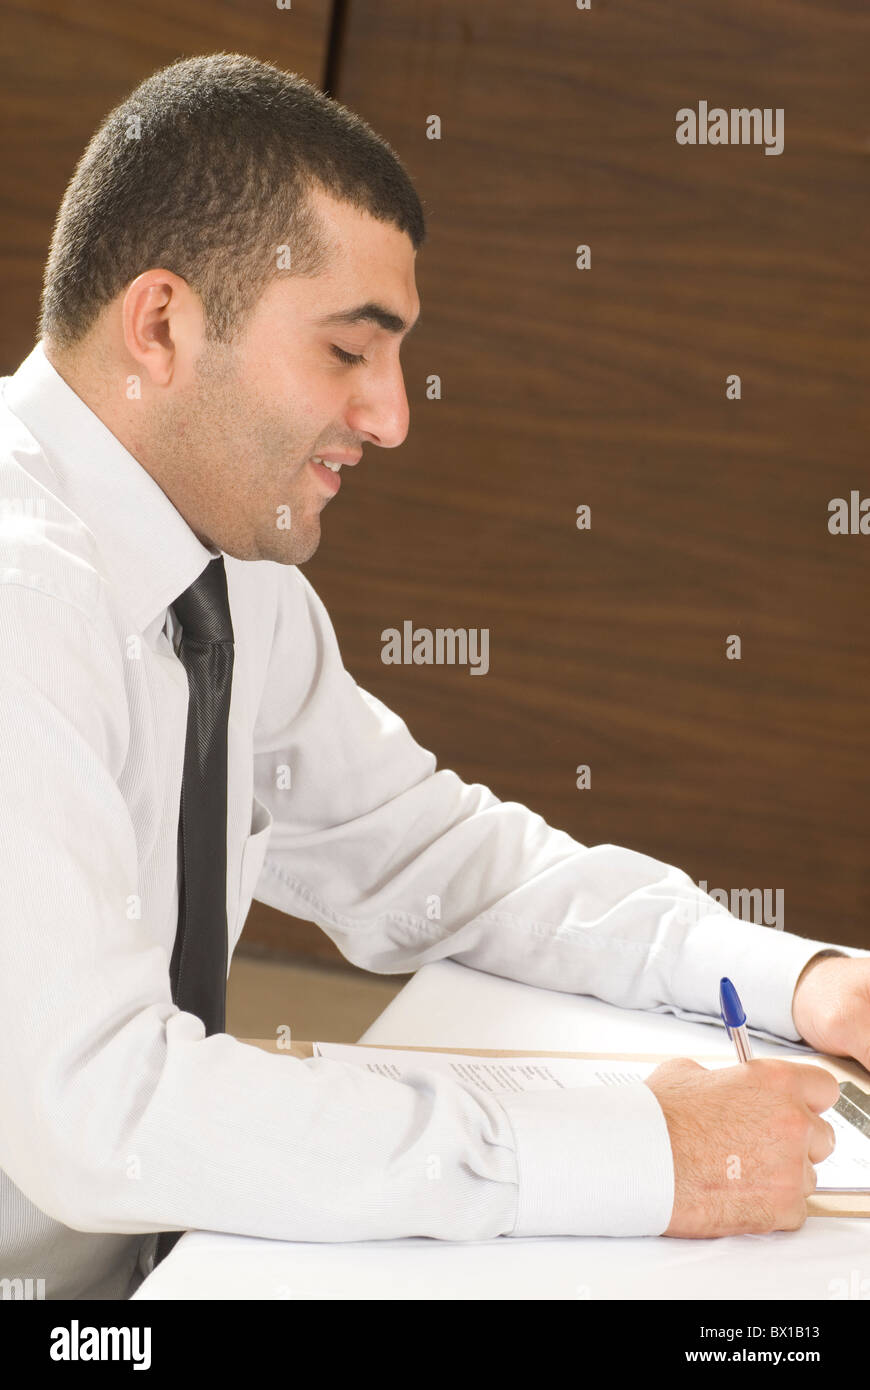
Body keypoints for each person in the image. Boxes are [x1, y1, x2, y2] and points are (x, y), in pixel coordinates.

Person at [0, 52, 867, 1302]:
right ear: (162, 324)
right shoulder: (23, 595)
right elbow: (101, 1106)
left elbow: (443, 859)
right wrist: (638, 1153)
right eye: (350, 350)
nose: (394, 416)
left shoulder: (229, 580)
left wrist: (797, 979)